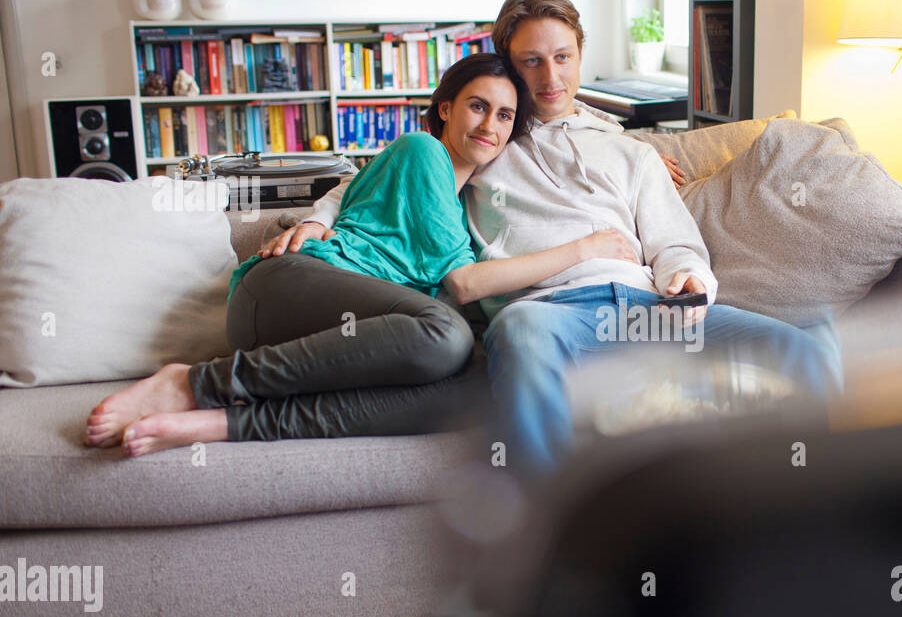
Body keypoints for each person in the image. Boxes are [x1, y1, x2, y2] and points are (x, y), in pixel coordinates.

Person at [298, 0, 843, 483]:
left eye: (562, 58)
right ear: (509, 67)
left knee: (809, 342)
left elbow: (675, 241)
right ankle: (551, 527)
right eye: (530, 62)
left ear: (581, 55)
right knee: (521, 331)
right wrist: (316, 217)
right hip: (547, 311)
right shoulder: (488, 138)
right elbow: (379, 177)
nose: (550, 77)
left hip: (648, 307)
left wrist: (686, 278)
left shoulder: (629, 150)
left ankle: (828, 500)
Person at [83, 52, 638, 456]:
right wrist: (587, 247)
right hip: (287, 288)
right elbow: (465, 285)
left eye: (504, 116)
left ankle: (221, 423)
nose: (489, 125)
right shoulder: (423, 153)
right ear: (445, 109)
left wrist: (635, 152)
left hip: (342, 341)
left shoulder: (466, 208)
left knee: (478, 385)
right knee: (446, 333)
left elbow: (349, 192)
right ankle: (191, 382)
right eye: (477, 106)